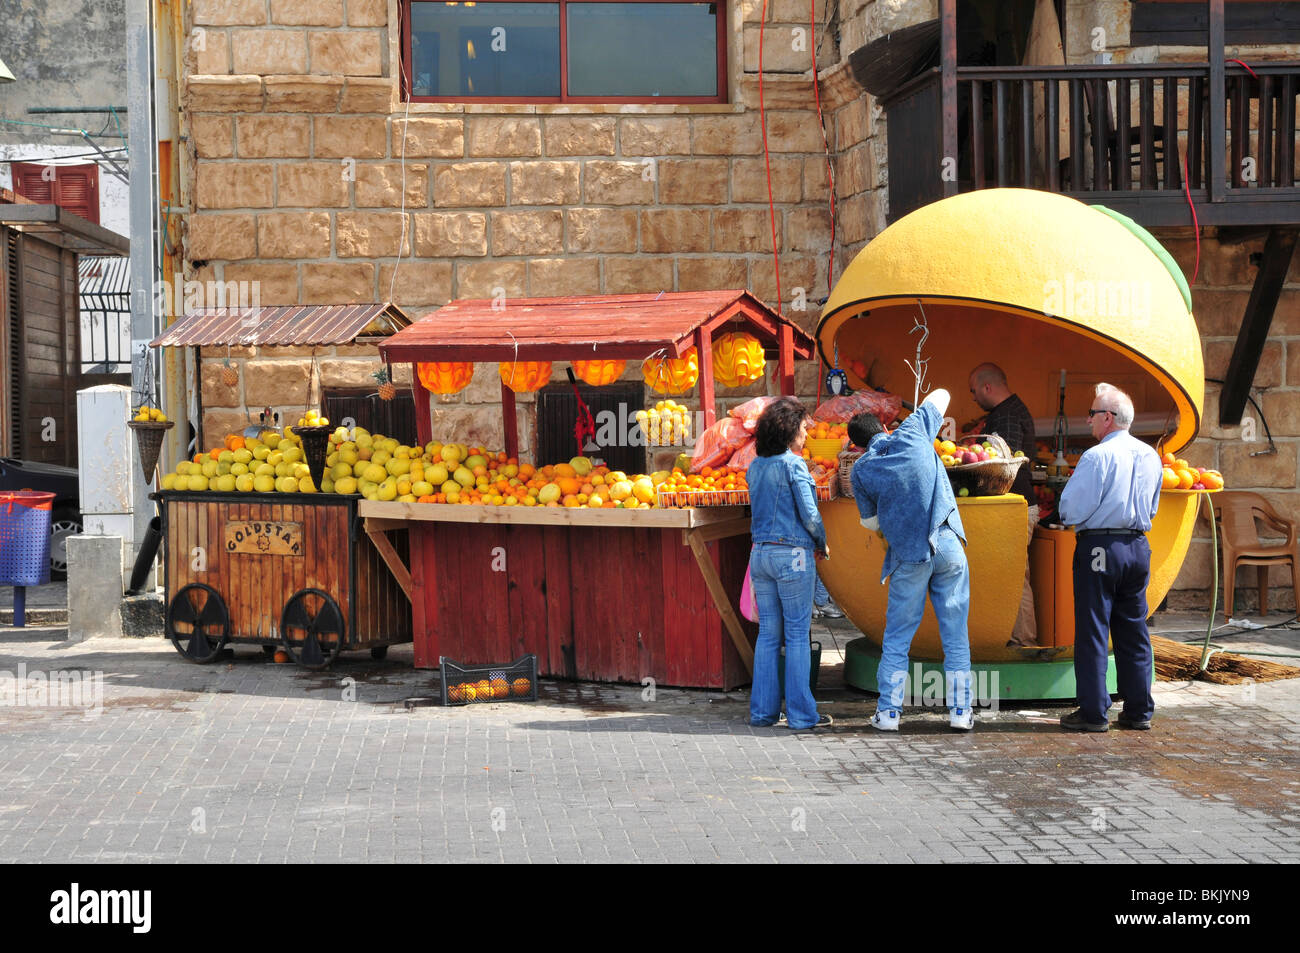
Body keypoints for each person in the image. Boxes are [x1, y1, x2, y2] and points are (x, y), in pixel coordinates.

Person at [847, 389, 975, 732]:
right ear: (884, 428)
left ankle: (888, 714)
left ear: (857, 445)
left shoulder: (861, 469)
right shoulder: (913, 430)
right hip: (948, 543)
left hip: (908, 554)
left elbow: (871, 523)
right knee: (955, 634)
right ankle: (961, 713)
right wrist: (917, 415)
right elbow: (945, 393)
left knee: (898, 637)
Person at [1056, 383, 1162, 732]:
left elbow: (1070, 509)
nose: (1087, 420)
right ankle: (1138, 710)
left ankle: (1093, 712)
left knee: (1093, 629)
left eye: (1091, 414)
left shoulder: (1097, 456)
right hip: (1137, 547)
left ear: (1107, 417)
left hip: (1100, 547)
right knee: (1134, 631)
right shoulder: (1150, 456)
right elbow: (1154, 507)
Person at [746, 397, 832, 731]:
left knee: (768, 634)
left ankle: (762, 714)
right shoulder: (793, 465)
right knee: (797, 635)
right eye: (803, 427)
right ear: (788, 429)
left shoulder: (755, 466)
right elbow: (810, 514)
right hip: (793, 555)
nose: (807, 433)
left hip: (760, 555)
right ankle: (801, 716)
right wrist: (823, 542)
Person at [968, 362, 1040, 646]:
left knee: (1015, 579)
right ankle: (1016, 638)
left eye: (974, 391)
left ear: (988, 387)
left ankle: (1023, 641)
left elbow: (1001, 462)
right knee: (1013, 578)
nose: (973, 398)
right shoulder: (1011, 409)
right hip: (1018, 506)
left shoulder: (1007, 415)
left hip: (1016, 508)